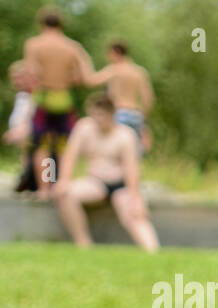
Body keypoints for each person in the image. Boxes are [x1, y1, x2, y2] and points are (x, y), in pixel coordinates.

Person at [53, 93, 158, 252]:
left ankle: (153, 251)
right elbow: (70, 156)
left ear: (112, 115)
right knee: (65, 193)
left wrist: (135, 196)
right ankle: (84, 245)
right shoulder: (84, 128)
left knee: (134, 213)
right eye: (94, 114)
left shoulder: (125, 135)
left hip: (121, 186)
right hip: (96, 183)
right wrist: (63, 180)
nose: (98, 119)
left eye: (102, 115)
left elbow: (132, 169)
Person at [22, 6, 93, 197]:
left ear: (41, 23)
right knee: (64, 147)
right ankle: (61, 186)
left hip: (44, 98)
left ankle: (45, 190)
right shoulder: (73, 46)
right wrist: (67, 77)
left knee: (43, 147)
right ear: (61, 24)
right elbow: (85, 77)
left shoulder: (34, 44)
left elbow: (31, 74)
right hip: (64, 99)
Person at [86, 40, 153, 152]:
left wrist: (84, 61)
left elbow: (92, 81)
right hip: (136, 115)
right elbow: (148, 98)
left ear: (116, 52)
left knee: (115, 153)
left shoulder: (114, 69)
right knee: (132, 153)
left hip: (119, 113)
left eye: (109, 54)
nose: (108, 57)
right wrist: (144, 120)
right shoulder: (140, 72)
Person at [5, 62, 38, 193]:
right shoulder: (22, 95)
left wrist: (21, 130)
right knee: (27, 159)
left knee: (45, 161)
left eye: (19, 78)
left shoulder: (39, 95)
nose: (16, 82)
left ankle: (46, 184)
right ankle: (28, 179)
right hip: (24, 142)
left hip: (38, 139)